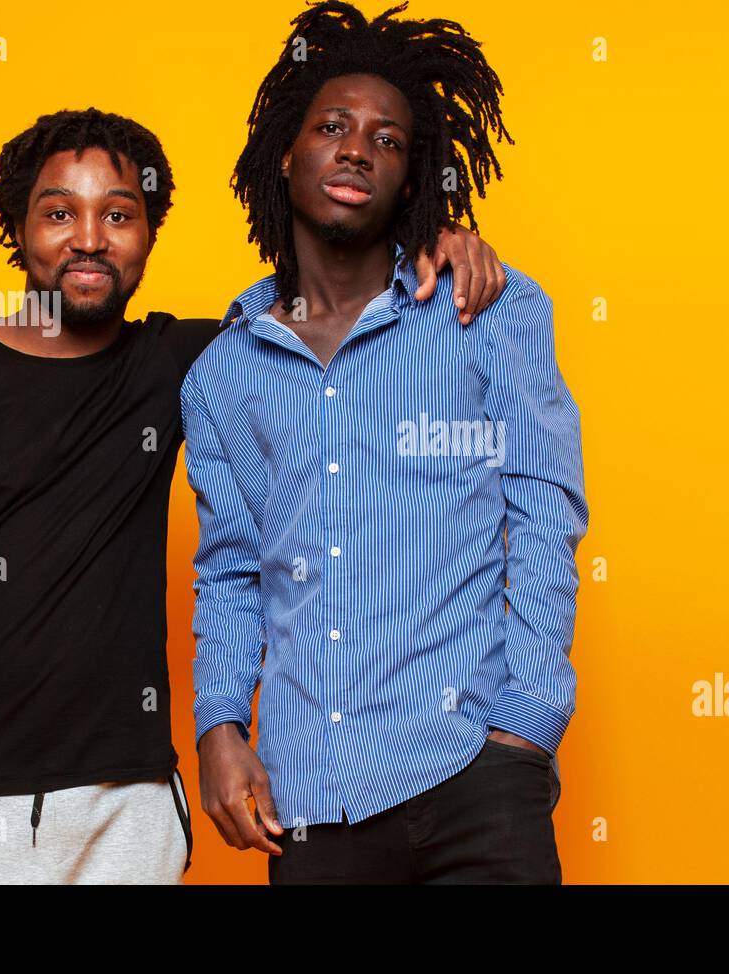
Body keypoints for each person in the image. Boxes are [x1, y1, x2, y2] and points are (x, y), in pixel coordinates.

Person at [0, 105, 505, 884]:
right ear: (17, 228)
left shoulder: (189, 361)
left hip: (138, 804)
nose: (90, 238)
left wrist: (430, 241)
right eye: (60, 212)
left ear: (150, 234)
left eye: (119, 214)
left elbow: (317, 309)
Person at [184, 0, 588, 884]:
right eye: (332, 126)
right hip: (312, 800)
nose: (358, 148)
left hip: (475, 776)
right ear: (286, 153)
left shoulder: (490, 311)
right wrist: (220, 728)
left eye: (389, 139)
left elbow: (545, 515)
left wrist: (525, 721)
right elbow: (230, 570)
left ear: (411, 181)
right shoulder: (223, 373)